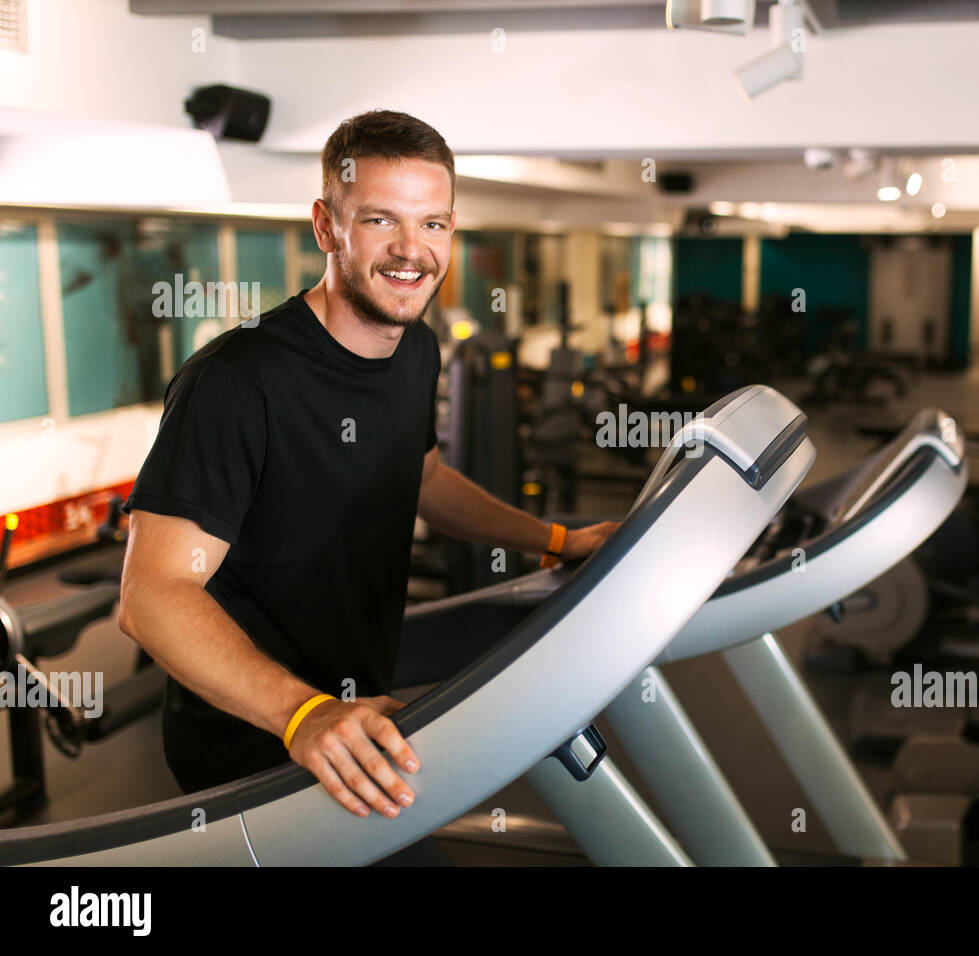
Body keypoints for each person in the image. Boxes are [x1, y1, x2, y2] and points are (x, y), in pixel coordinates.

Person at [117, 109, 618, 826]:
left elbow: (425, 479)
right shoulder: (236, 381)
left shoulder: (415, 347)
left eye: (434, 223)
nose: (412, 250)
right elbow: (151, 596)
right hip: (257, 741)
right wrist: (303, 714)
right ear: (327, 227)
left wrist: (558, 541)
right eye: (381, 220)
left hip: (360, 709)